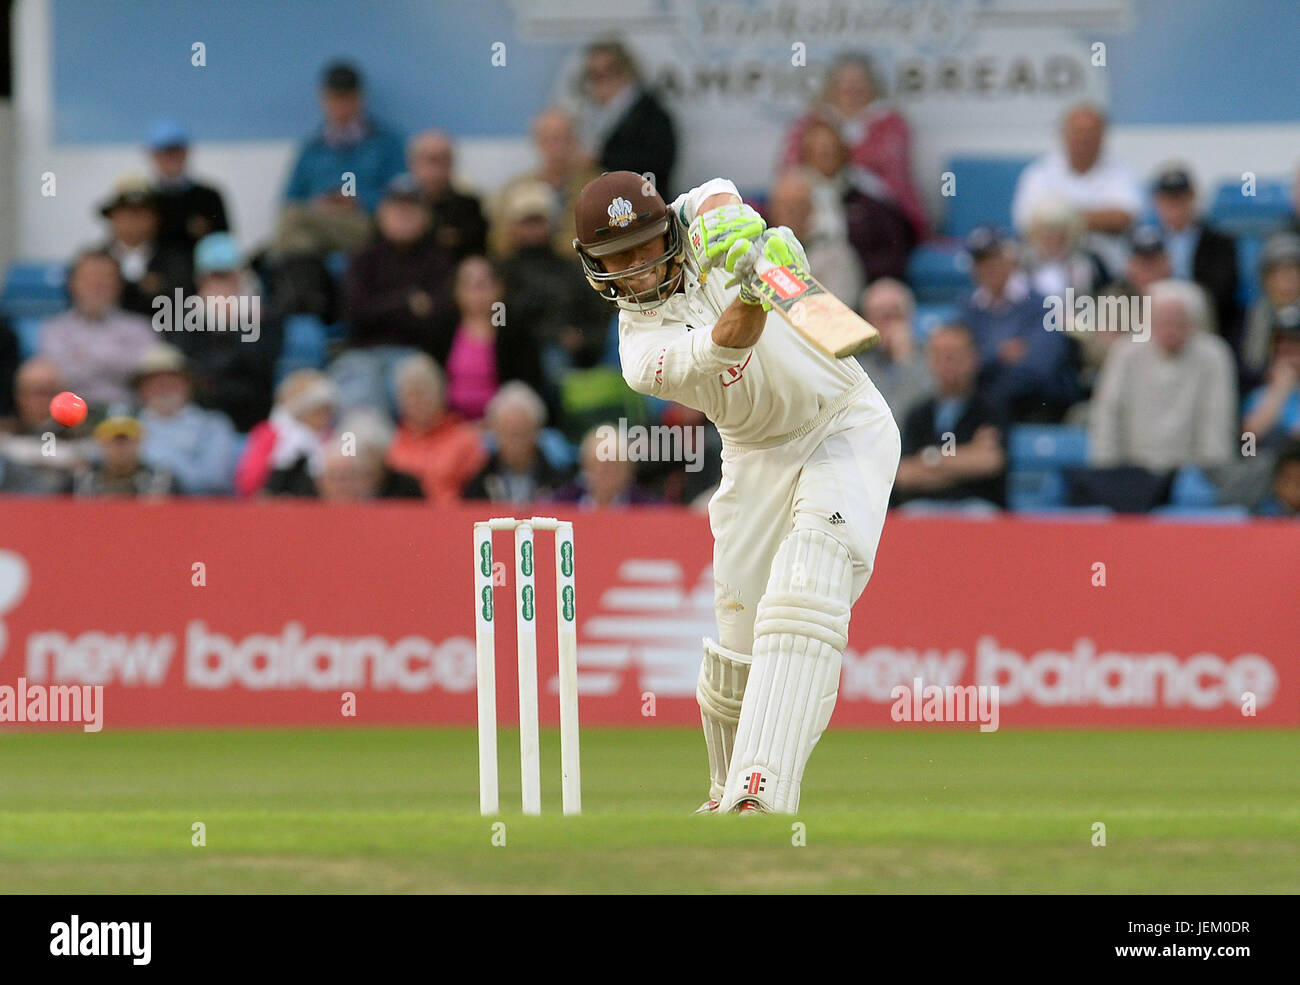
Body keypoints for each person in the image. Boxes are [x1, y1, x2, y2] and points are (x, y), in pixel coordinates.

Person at [572, 170, 900, 814]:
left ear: (665, 226)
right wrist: (755, 287)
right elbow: (730, 340)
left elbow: (716, 191)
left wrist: (747, 233)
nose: (639, 268)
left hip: (844, 420)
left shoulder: (690, 218)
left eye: (645, 246)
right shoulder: (642, 354)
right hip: (754, 457)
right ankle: (725, 793)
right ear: (597, 268)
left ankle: (763, 794)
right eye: (620, 259)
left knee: (806, 591)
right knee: (735, 653)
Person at [331, 173, 456, 415]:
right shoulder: (362, 259)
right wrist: (407, 302)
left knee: (415, 382)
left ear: (427, 216)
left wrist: (379, 306)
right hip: (362, 354)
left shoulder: (439, 263)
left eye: (412, 207)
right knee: (359, 395)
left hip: (415, 354)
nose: (404, 214)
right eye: (397, 207)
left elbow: (439, 320)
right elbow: (353, 313)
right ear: (381, 213)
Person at [1089, 280, 1237, 474]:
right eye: (1163, 321)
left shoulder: (1214, 355)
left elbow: (1217, 421)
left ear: (1193, 323)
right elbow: (1108, 413)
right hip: (1132, 470)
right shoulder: (1125, 352)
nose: (1170, 330)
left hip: (1192, 473)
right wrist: (1107, 471)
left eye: (1179, 323)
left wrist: (1209, 474)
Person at [779, 52, 926, 240]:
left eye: (860, 82)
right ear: (831, 87)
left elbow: (890, 171)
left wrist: (842, 168)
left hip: (876, 215)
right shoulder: (810, 123)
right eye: (845, 82)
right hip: (814, 209)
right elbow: (791, 170)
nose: (852, 88)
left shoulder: (891, 123)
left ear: (873, 86)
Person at [494, 179, 612, 404]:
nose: (533, 229)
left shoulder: (572, 270)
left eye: (538, 220)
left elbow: (600, 316)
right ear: (513, 226)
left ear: (552, 222)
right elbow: (501, 321)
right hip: (519, 358)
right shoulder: (501, 271)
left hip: (576, 358)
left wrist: (581, 339)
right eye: (526, 222)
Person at [276, 61, 405, 258]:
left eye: (346, 97)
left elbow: (400, 194)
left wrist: (358, 201)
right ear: (324, 99)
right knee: (299, 243)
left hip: (364, 225)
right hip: (317, 227)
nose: (341, 104)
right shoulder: (312, 148)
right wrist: (321, 203)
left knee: (293, 228)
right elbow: (290, 198)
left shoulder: (386, 143)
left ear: (359, 98)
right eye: (336, 97)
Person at [958, 226, 1076, 422]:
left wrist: (982, 361)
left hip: (1036, 406)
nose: (989, 267)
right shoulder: (967, 308)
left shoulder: (1041, 304)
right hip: (983, 406)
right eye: (981, 261)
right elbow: (961, 365)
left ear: (1010, 261)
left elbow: (1040, 366)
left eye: (994, 259)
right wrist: (999, 355)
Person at [1011, 104, 1142, 279]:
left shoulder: (1122, 172)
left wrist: (1060, 216)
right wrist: (1093, 217)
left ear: (1103, 136)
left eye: (1091, 133)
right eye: (1078, 132)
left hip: (1106, 268)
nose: (1084, 139)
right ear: (1064, 134)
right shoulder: (1039, 172)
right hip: (1046, 264)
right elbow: (1027, 221)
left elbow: (1123, 217)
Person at [893, 323, 1007, 510]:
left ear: (974, 358)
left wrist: (929, 459)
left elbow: (990, 462)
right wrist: (966, 460)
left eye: (956, 356)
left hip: (978, 506)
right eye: (941, 356)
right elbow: (903, 475)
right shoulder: (918, 413)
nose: (948, 363)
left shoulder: (990, 409)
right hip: (922, 508)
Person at [176, 233, 282, 432]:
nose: (220, 285)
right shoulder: (186, 317)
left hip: (253, 414)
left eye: (226, 276)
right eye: (213, 277)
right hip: (203, 414)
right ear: (200, 280)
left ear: (242, 277)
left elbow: (260, 367)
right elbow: (189, 367)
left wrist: (234, 322)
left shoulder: (266, 316)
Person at [796, 119, 913, 283]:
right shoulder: (790, 197)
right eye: (819, 151)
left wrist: (866, 271)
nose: (825, 156)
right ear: (806, 155)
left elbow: (894, 248)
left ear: (844, 154)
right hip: (805, 271)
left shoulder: (868, 195)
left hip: (860, 275)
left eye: (831, 151)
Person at [39, 251, 157, 408]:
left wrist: (84, 356)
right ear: (72, 283)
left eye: (105, 278)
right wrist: (116, 357)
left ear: (119, 285)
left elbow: (143, 375)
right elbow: (59, 377)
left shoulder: (141, 328)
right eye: (89, 278)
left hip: (128, 414)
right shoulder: (54, 329)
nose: (97, 285)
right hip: (70, 415)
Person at [432, 256, 544, 422]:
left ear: (499, 288)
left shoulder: (512, 328)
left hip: (503, 426)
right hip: (450, 424)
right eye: (468, 285)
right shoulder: (444, 327)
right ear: (456, 290)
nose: (476, 293)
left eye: (483, 285)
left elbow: (526, 388)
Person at [490, 109, 600, 259]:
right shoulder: (517, 189)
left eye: (562, 138)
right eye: (548, 139)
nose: (556, 147)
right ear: (537, 142)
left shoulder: (597, 187)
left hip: (581, 273)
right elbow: (498, 242)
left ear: (574, 141)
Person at [132, 344, 241, 496]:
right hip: (133, 513)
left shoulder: (213, 425)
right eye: (154, 382)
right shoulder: (125, 427)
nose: (163, 387)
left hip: (198, 514)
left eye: (171, 380)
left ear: (188, 384)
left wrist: (155, 461)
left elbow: (213, 481)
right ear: (141, 390)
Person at [1149, 165, 1239, 344]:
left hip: (1202, 321)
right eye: (1168, 199)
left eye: (1180, 198)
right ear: (1157, 201)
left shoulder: (1220, 242)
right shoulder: (1146, 241)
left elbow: (1222, 291)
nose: (1175, 205)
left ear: (1192, 198)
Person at [577, 40, 676, 197]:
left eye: (607, 72)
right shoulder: (588, 113)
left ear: (626, 71)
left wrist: (600, 159)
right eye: (593, 75)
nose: (600, 82)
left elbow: (654, 164)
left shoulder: (651, 115)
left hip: (643, 208)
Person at [385, 354, 488, 503]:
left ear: (442, 392)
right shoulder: (391, 445)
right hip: (403, 523)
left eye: (424, 392)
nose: (418, 401)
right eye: (411, 394)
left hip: (455, 522)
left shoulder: (467, 441)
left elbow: (477, 496)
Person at [96, 175, 193, 318]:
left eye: (141, 213)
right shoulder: (95, 261)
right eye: (126, 213)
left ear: (156, 219)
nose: (133, 221)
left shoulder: (176, 260)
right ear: (112, 217)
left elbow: (184, 301)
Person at [766, 168, 863, 306]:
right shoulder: (758, 251)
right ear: (772, 210)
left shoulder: (835, 254)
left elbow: (839, 307)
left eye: (798, 206)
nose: (790, 213)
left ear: (811, 209)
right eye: (783, 205)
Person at [462, 382, 570, 503]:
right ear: (494, 433)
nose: (515, 442)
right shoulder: (477, 481)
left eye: (521, 432)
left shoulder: (560, 483)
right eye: (508, 432)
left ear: (537, 432)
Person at [235, 369, 337, 498]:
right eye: (320, 410)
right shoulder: (269, 433)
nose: (326, 417)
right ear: (302, 410)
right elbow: (249, 483)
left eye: (328, 410)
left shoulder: (334, 437)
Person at [0, 358, 91, 494]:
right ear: (18, 396)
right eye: (31, 392)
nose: (40, 401)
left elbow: (85, 467)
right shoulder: (6, 430)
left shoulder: (81, 434)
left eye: (47, 392)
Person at [145, 118, 231, 251]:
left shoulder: (209, 197)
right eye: (165, 152)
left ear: (186, 152)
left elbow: (224, 243)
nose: (171, 157)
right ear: (154, 156)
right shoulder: (145, 199)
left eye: (175, 151)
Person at [855, 278, 932, 424]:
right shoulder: (857, 365)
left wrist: (906, 361)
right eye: (881, 317)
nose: (889, 324)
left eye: (896, 315)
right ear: (866, 322)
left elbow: (920, 412)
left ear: (910, 318)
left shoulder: (929, 357)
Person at [407, 131, 489, 260]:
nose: (435, 170)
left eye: (443, 160)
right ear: (413, 164)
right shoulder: (400, 207)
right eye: (428, 160)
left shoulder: (469, 208)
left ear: (452, 164)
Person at [1240, 232, 1300, 387]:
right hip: (1268, 390)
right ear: (1266, 279)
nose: (1287, 282)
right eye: (1279, 274)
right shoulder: (1256, 315)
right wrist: (1270, 372)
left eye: (1294, 273)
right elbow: (1248, 366)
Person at [553, 426, 659, 507]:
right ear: (585, 467)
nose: (604, 473)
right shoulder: (560, 505)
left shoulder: (650, 509)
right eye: (596, 465)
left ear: (628, 469)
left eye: (613, 465)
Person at [74, 415, 173, 498]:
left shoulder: (159, 480)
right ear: (100, 443)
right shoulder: (83, 481)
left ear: (140, 443)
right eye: (115, 442)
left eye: (128, 442)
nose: (121, 448)